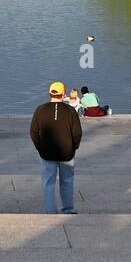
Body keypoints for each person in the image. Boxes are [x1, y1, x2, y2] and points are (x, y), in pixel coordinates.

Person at [30, 81, 84, 214]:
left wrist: (39, 147)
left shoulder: (40, 110)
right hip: (67, 152)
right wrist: (74, 147)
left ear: (50, 93)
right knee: (67, 181)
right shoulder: (70, 110)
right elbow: (77, 132)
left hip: (46, 153)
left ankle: (50, 211)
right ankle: (68, 209)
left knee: (48, 183)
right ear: (63, 94)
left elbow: (33, 131)